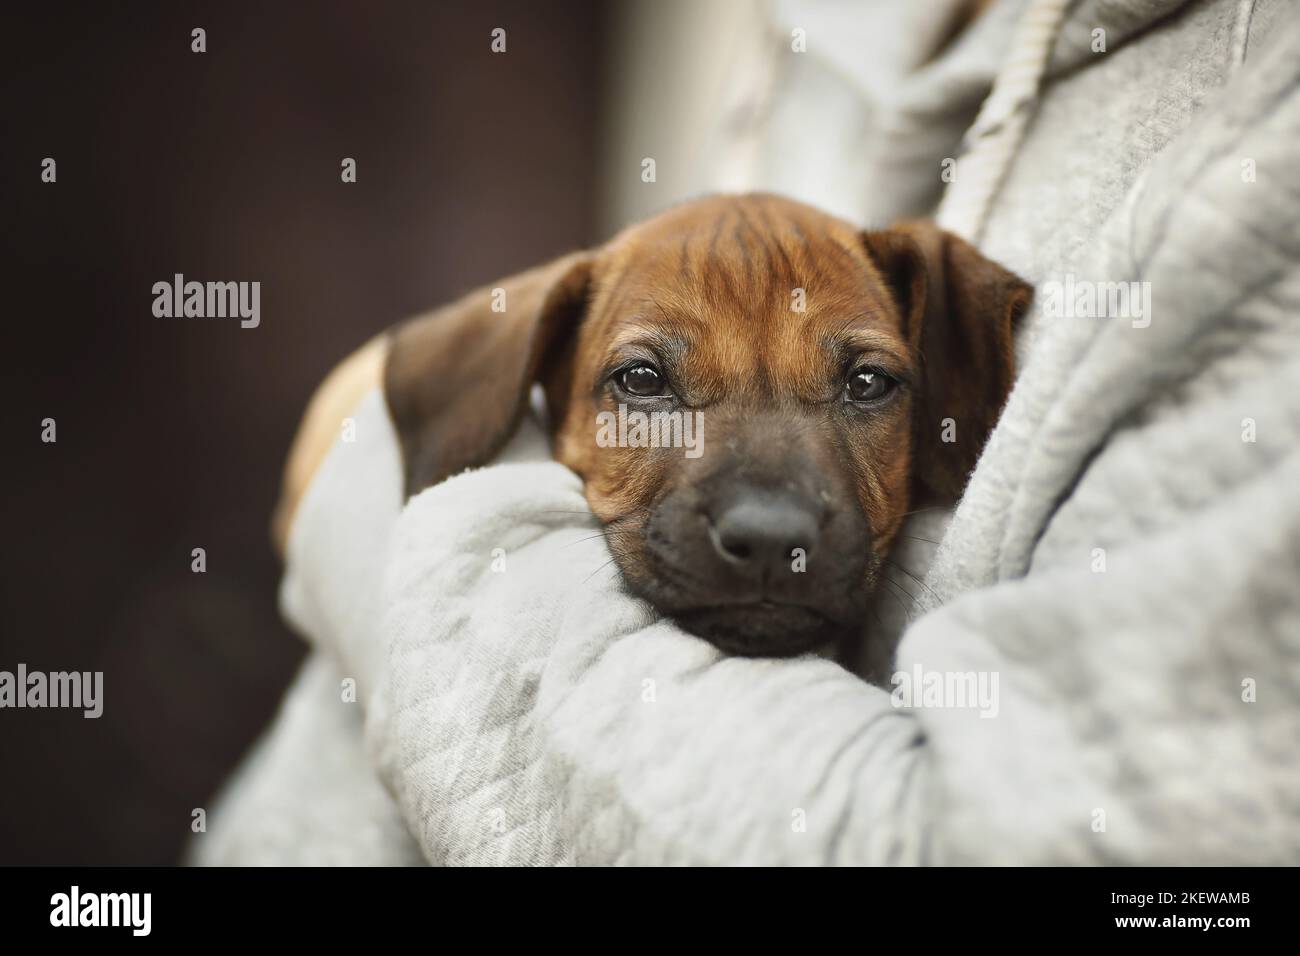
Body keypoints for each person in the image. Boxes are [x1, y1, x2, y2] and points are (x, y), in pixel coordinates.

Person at [196, 0, 1300, 865]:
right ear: (532, 385)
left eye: (864, 384)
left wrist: (367, 506)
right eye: (648, 383)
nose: (770, 512)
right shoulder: (826, 32)